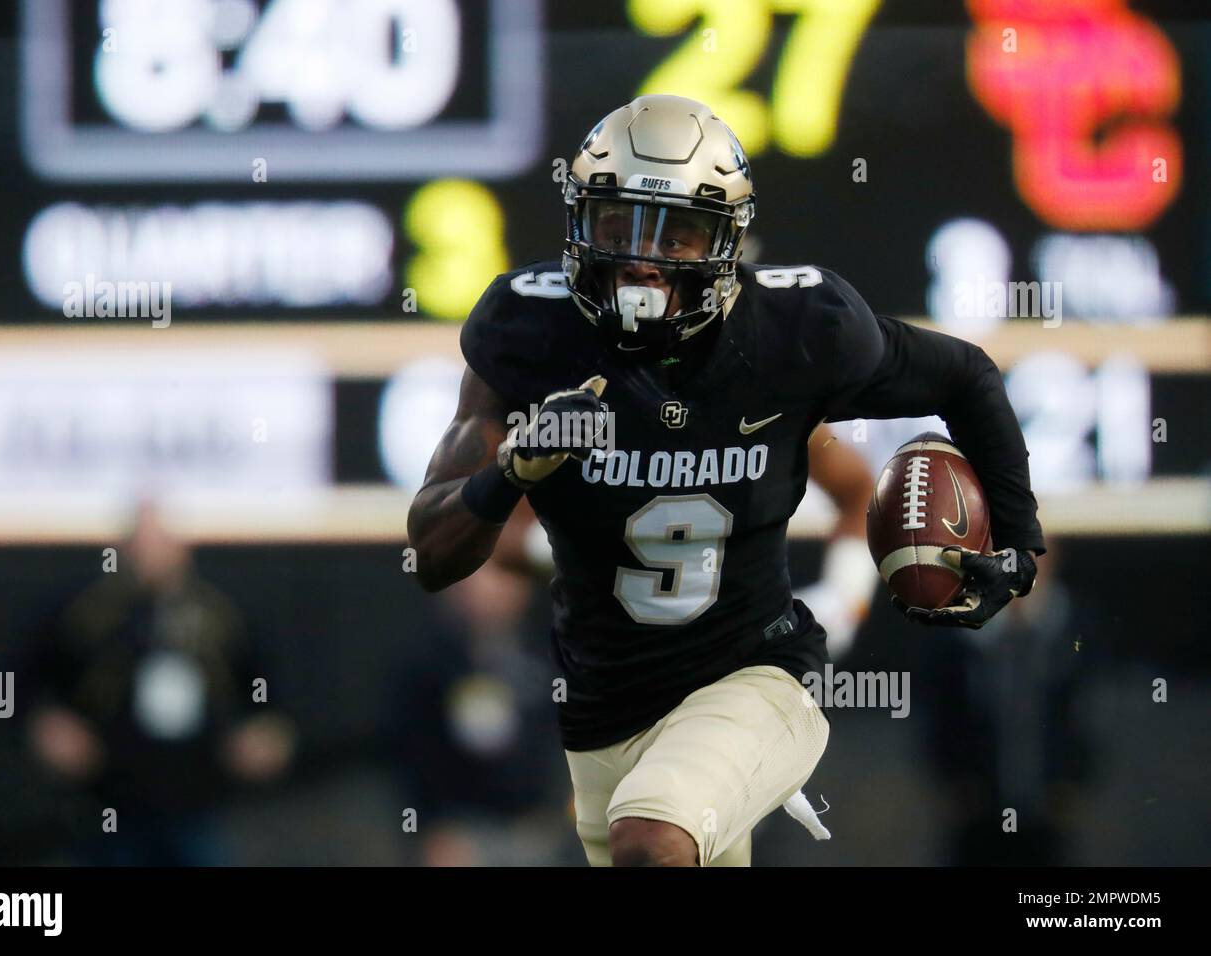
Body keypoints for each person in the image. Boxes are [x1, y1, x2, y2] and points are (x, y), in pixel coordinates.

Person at [406, 95, 1045, 867]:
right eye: (618, 224)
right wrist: (510, 472)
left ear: (727, 243)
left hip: (753, 675)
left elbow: (965, 375)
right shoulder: (528, 333)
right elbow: (432, 554)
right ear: (580, 221)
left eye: (674, 231)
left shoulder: (788, 340)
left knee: (655, 841)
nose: (643, 259)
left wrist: (1016, 543)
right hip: (606, 708)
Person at [26, 502, 294, 865]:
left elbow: (269, 703)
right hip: (108, 805)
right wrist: (47, 727)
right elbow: (25, 689)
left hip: (199, 803)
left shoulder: (223, 616)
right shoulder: (83, 616)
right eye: (140, 540)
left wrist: (265, 736)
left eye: (160, 539)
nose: (149, 551)